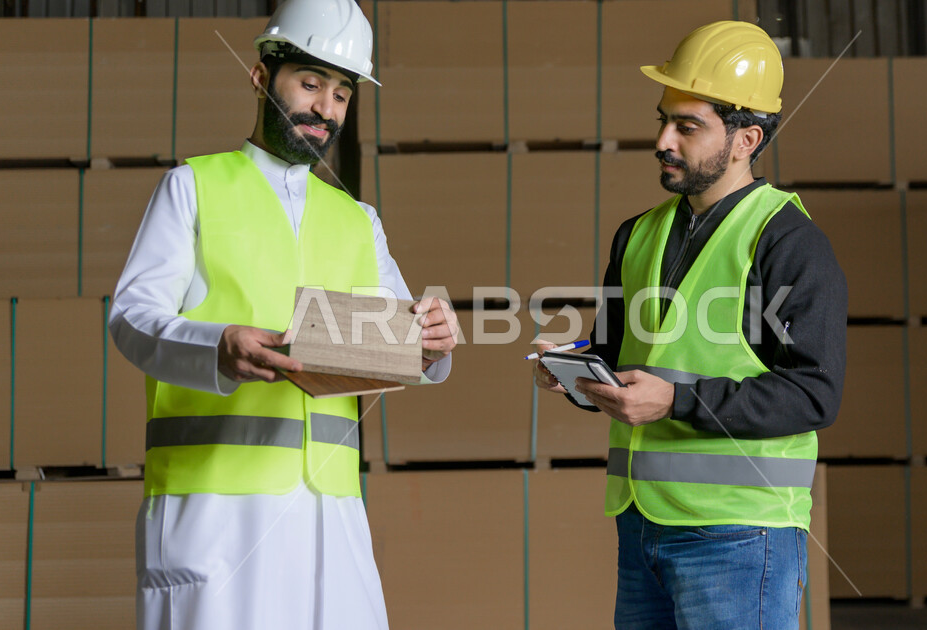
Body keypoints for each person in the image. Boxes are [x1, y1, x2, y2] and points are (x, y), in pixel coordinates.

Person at [109, 1, 458, 628]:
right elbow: (132, 317)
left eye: (342, 94)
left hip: (330, 512)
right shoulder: (193, 188)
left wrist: (434, 342)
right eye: (310, 83)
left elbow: (407, 343)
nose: (325, 108)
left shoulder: (358, 221)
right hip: (214, 509)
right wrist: (217, 347)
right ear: (260, 77)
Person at [533, 21, 846, 630]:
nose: (663, 140)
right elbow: (617, 354)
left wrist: (677, 401)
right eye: (663, 120)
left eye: (687, 126)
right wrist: (573, 371)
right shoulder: (637, 233)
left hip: (741, 533)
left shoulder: (789, 242)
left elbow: (814, 392)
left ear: (745, 139)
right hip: (640, 525)